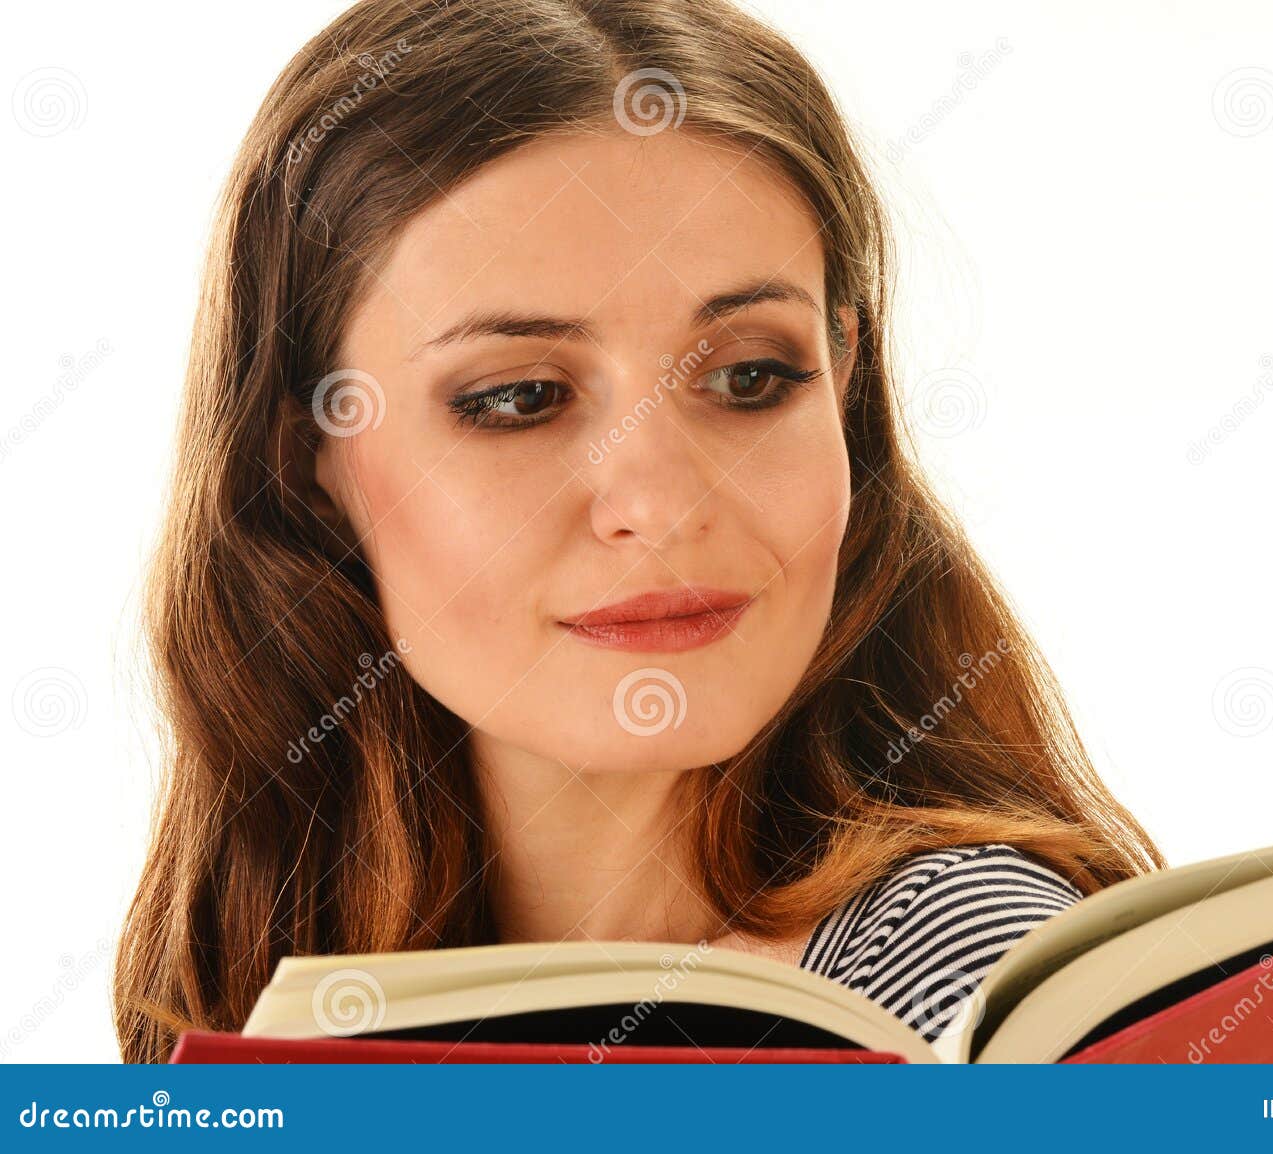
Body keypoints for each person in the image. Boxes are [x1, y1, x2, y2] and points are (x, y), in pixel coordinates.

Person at [114, 0, 1163, 1063]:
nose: (660, 503)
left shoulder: (975, 984)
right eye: (520, 397)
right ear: (309, 460)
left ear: (843, 382)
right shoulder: (247, 984)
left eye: (751, 376)